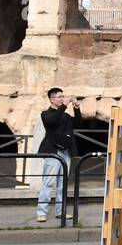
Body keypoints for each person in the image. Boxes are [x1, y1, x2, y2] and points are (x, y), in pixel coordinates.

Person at [36, 87, 80, 222]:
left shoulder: (65, 115)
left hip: (65, 151)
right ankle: (41, 213)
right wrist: (65, 106)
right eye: (60, 97)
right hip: (52, 151)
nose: (62, 99)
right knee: (48, 182)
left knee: (63, 183)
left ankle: (60, 211)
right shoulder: (46, 114)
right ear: (52, 99)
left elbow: (77, 124)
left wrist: (77, 109)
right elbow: (52, 121)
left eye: (63, 97)